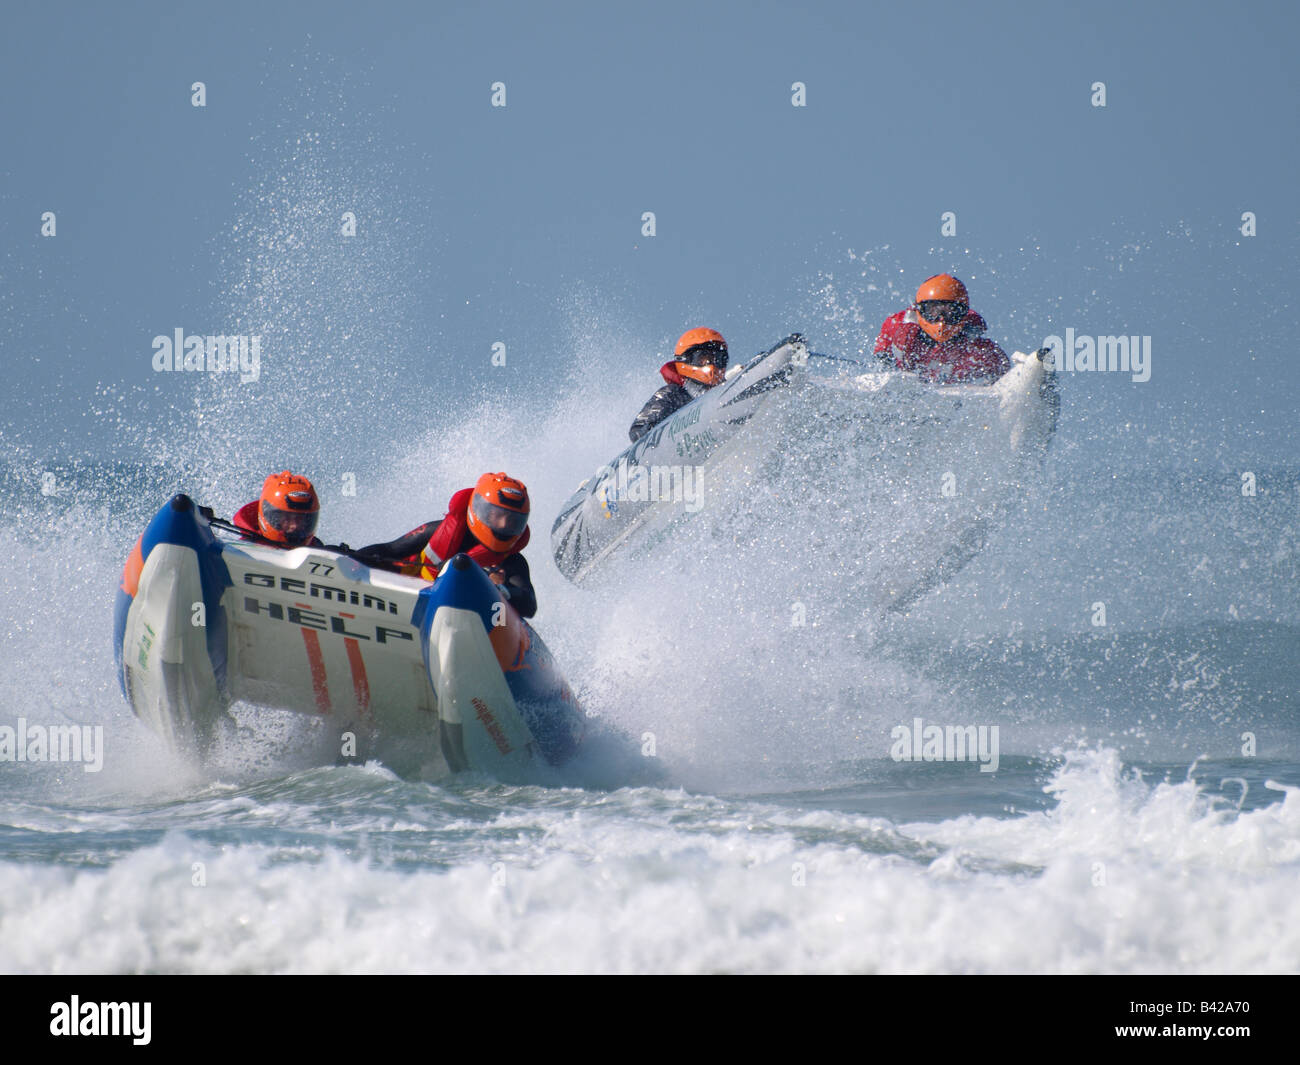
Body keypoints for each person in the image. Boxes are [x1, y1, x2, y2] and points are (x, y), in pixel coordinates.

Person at [356, 472, 537, 618]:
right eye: (497, 515)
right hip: (403, 600)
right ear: (479, 510)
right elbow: (389, 550)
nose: (504, 525)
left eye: (513, 520)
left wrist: (500, 589)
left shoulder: (512, 562)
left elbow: (529, 605)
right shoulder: (436, 530)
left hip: (467, 620)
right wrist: (347, 557)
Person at [873, 274, 1010, 383]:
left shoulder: (977, 346)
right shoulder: (897, 326)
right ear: (919, 310)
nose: (942, 320)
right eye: (934, 311)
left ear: (963, 314)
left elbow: (1004, 373)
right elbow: (881, 361)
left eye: (951, 312)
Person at [629, 327, 730, 443]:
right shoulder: (672, 394)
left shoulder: (727, 390)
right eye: (703, 359)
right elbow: (638, 429)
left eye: (718, 359)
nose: (712, 365)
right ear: (685, 360)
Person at [232, 470, 323, 547]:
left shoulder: (317, 550)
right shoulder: (244, 550)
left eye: (300, 519)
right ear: (269, 515)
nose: (294, 525)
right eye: (287, 518)